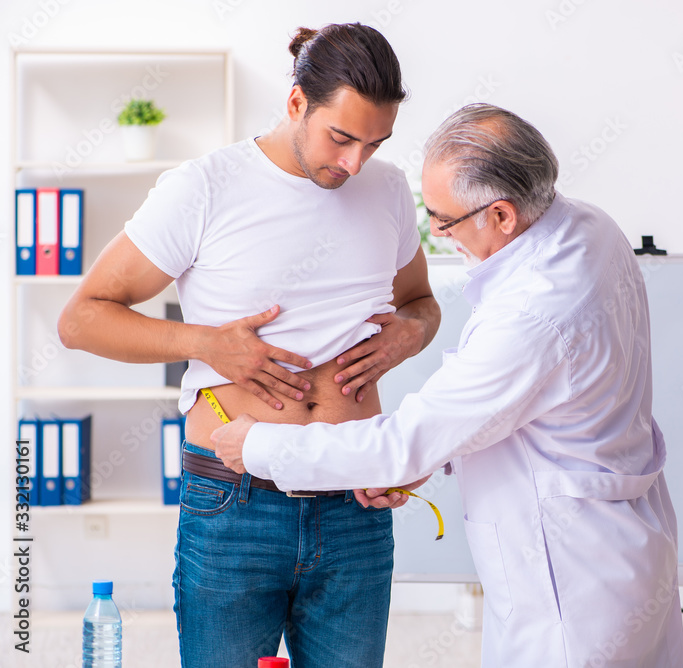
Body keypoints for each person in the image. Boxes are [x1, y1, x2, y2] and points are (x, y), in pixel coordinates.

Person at [212, 103, 683, 668]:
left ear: (503, 215)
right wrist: (421, 458)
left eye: (445, 220)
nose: (435, 233)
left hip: (570, 587)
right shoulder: (590, 228)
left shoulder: (535, 313)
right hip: (620, 549)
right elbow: (513, 406)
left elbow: (405, 440)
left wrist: (258, 446)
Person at [57, 23, 440, 668]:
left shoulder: (390, 191)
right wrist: (209, 344)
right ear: (296, 103)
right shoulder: (203, 187)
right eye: (341, 138)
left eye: (375, 144)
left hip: (355, 501)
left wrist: (410, 335)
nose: (354, 164)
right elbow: (83, 318)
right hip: (237, 505)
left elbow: (420, 305)